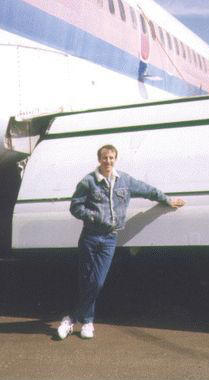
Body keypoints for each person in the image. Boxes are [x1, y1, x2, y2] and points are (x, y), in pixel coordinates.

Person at [57, 143, 185, 340]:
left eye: (111, 158)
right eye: (104, 158)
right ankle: (88, 322)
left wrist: (167, 200)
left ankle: (71, 318)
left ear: (115, 159)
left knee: (97, 282)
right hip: (90, 237)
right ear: (99, 160)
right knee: (86, 280)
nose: (108, 161)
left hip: (109, 238)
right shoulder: (88, 181)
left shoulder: (124, 180)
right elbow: (75, 207)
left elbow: (147, 190)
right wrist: (93, 216)